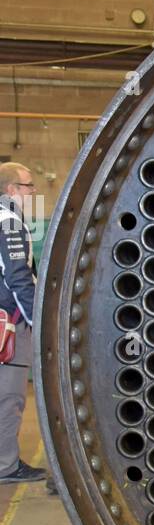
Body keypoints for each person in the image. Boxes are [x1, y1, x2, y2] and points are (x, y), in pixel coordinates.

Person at [0, 161, 47, 483]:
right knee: (10, 397)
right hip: (9, 326)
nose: (34, 192)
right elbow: (18, 279)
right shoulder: (10, 223)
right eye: (29, 186)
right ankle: (5, 465)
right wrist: (37, 322)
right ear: (12, 190)